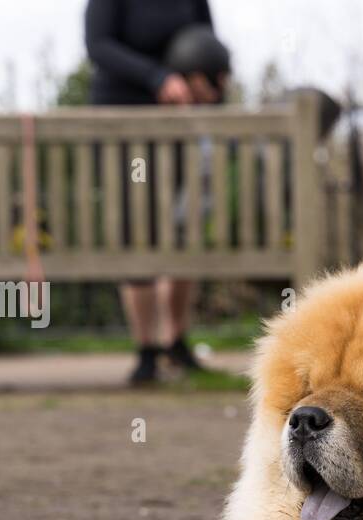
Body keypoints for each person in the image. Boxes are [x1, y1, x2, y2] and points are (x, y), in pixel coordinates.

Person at [85, 1, 231, 386]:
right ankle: (146, 352)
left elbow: (206, 41)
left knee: (180, 230)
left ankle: (175, 343)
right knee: (139, 231)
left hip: (179, 124)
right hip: (123, 123)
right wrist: (157, 77)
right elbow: (98, 45)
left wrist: (211, 81)